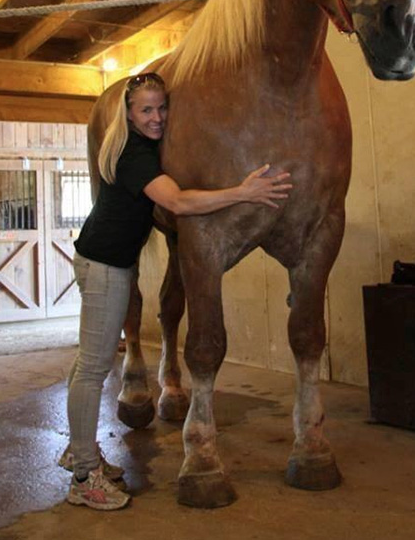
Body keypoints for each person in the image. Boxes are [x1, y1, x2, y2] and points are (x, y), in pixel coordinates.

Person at [60, 72, 292, 510]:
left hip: (107, 263)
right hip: (104, 268)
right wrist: (243, 192)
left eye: (162, 108)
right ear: (128, 114)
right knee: (92, 369)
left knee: (86, 364)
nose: (157, 117)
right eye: (146, 110)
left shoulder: (143, 148)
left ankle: (79, 451)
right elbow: (181, 203)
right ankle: (84, 477)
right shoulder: (133, 156)